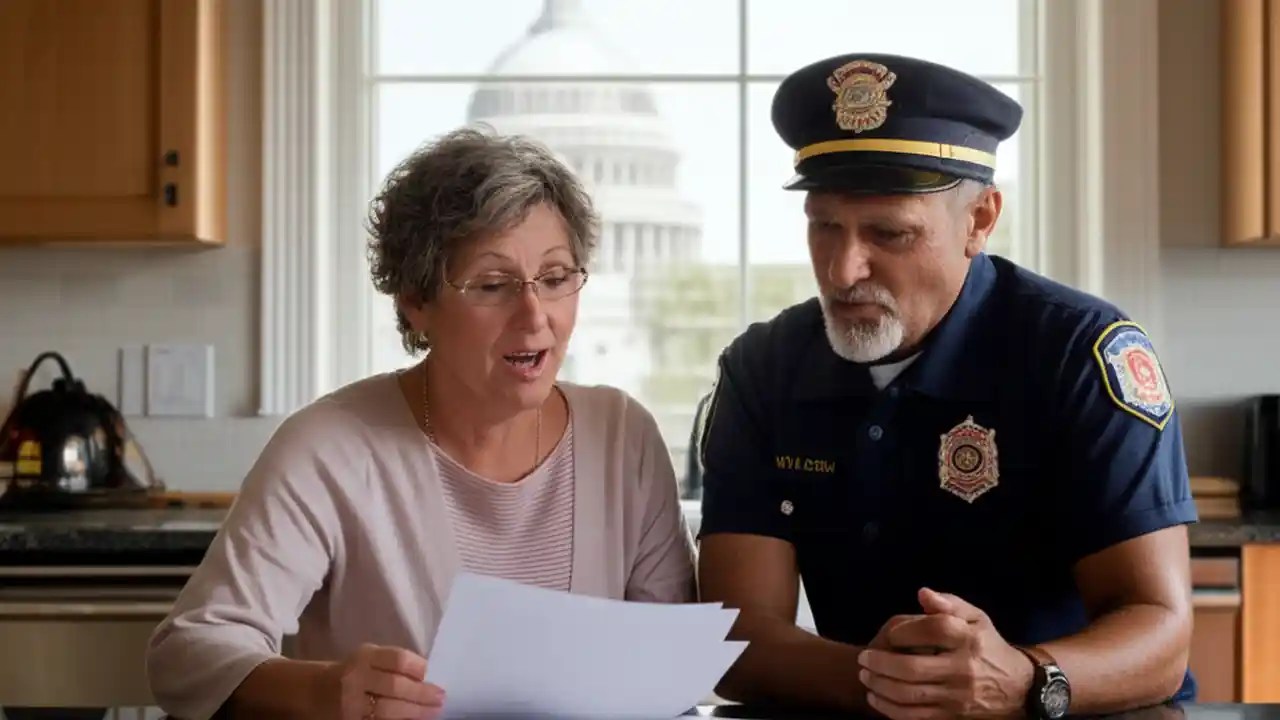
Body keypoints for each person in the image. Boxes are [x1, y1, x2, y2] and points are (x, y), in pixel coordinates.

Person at [695, 52, 1197, 720]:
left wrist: (1023, 681)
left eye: (889, 233)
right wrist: (909, 688)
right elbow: (733, 639)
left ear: (980, 220)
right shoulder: (763, 369)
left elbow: (1161, 635)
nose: (844, 270)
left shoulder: (1082, 355)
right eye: (823, 226)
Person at [146, 127, 698, 720]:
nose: (535, 316)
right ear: (416, 301)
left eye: (557, 277)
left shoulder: (623, 436)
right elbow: (186, 654)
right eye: (492, 285)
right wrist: (323, 691)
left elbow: (669, 666)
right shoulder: (331, 448)